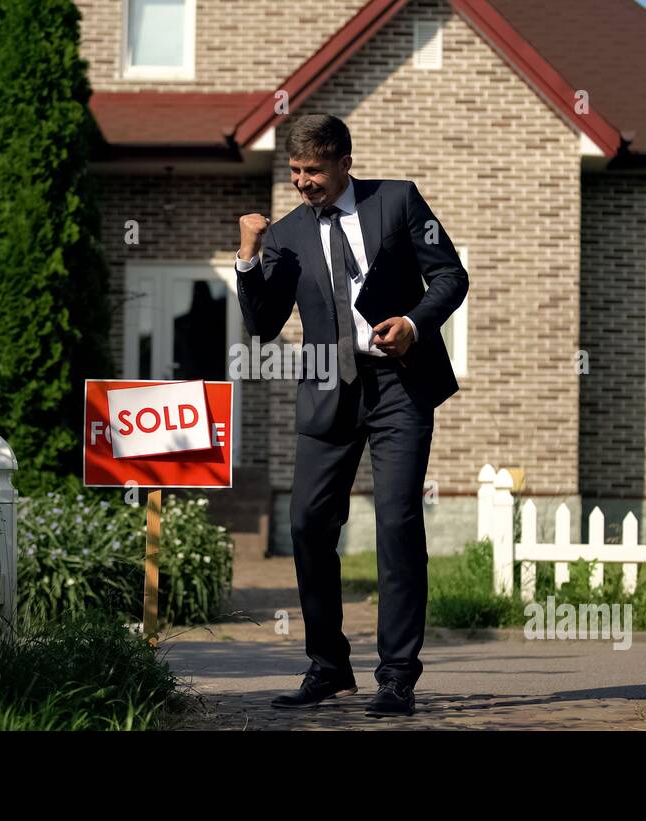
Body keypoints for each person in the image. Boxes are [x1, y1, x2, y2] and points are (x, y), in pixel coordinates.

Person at [234, 113, 467, 717]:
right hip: (326, 387)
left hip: (399, 385)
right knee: (307, 524)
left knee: (395, 523)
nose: (303, 182)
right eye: (294, 171)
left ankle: (397, 677)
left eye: (314, 170)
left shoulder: (398, 202)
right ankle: (329, 666)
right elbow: (261, 325)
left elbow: (450, 275)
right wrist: (248, 257)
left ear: (344, 162)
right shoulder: (284, 233)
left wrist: (414, 323)